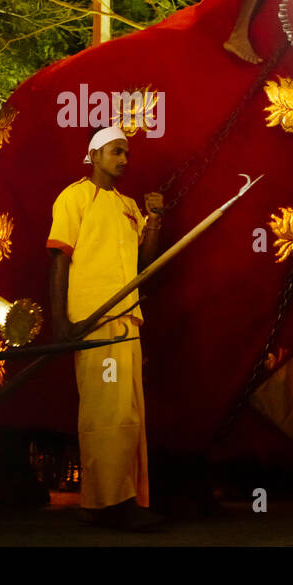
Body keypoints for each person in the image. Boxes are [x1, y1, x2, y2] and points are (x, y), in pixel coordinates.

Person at [47, 126, 166, 531]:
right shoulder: (74, 197)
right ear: (95, 155)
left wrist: (155, 220)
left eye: (126, 154)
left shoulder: (130, 206)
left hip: (127, 316)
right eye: (116, 152)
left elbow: (142, 265)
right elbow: (59, 260)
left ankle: (122, 498)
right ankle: (104, 503)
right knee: (103, 411)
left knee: (128, 410)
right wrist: (62, 320)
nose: (124, 160)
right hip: (91, 320)